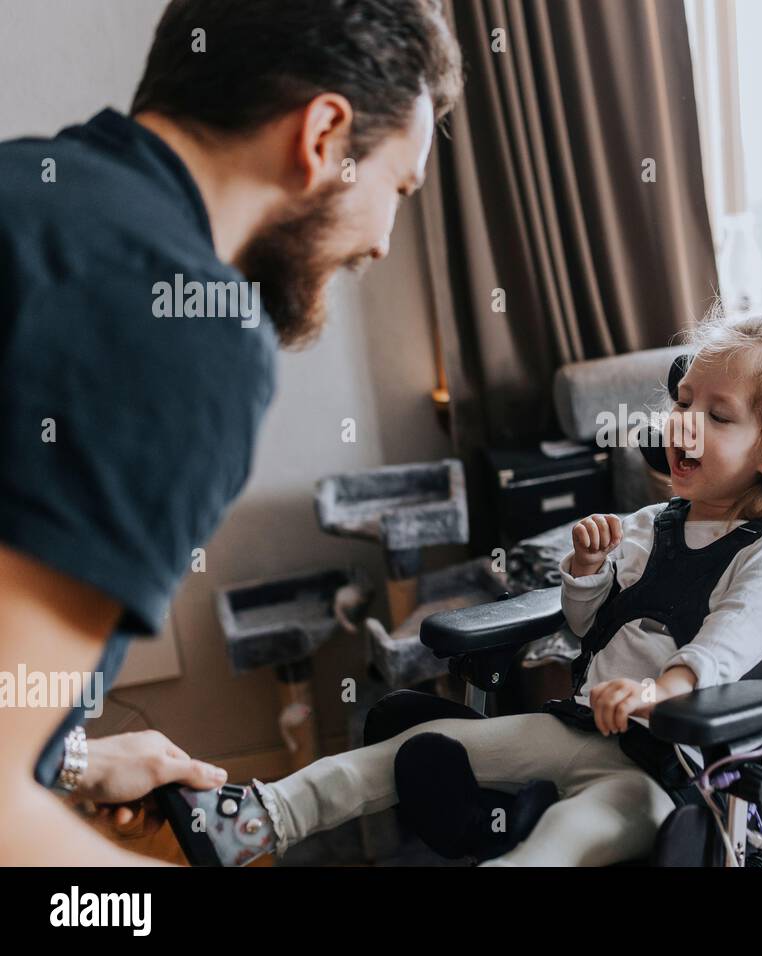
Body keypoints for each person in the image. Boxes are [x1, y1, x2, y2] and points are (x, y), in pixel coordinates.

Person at [160, 298, 762, 867]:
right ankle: (257, 820)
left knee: (557, 843)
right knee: (415, 745)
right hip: (577, 727)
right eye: (683, 402)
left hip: (668, 775)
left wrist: (657, 692)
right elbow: (590, 628)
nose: (683, 425)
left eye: (716, 416)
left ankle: (525, 819)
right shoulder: (655, 522)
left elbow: (725, 648)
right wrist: (587, 574)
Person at [0, 0, 462, 865]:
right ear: (325, 135)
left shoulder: (29, 191)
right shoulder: (185, 322)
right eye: (398, 189)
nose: (384, 243)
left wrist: (66, 760)